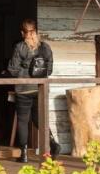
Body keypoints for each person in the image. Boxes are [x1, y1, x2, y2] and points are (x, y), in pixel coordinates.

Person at [6, 18, 60, 162]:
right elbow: (50, 69)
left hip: (23, 89)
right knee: (39, 119)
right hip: (40, 89)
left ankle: (23, 154)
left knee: (23, 121)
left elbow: (12, 70)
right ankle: (53, 144)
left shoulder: (20, 47)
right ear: (36, 31)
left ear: (23, 32)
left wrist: (23, 68)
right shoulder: (45, 47)